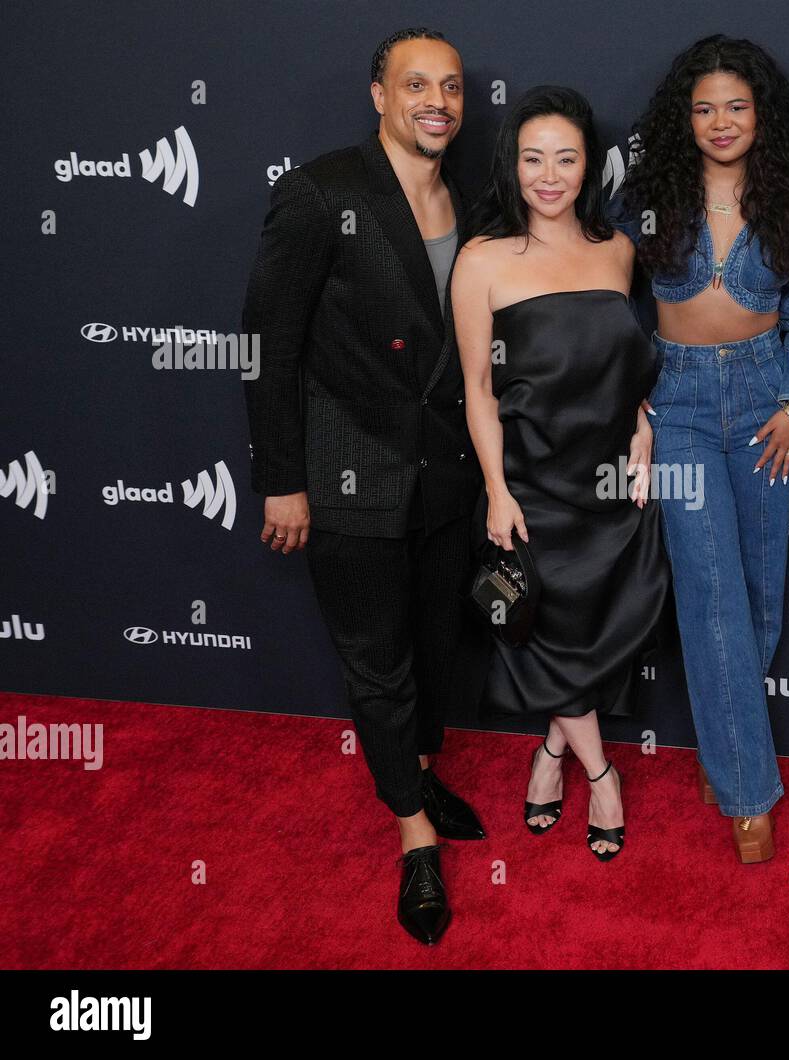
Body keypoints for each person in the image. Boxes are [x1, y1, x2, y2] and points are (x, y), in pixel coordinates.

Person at [241, 28, 488, 946]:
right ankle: (414, 836)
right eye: (417, 84)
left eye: (452, 87)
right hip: (346, 478)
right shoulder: (322, 193)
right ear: (379, 95)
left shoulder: (469, 197)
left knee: (431, 645)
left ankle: (417, 773)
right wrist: (281, 482)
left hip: (445, 478)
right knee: (377, 661)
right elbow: (270, 344)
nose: (438, 101)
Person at [613, 35, 789, 863]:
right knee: (708, 591)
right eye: (705, 108)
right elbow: (612, 303)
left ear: (761, 113)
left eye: (737, 106)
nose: (721, 122)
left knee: (761, 592)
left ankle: (724, 745)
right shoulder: (648, 198)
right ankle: (747, 789)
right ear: (682, 118)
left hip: (768, 404)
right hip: (683, 408)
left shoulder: (786, 200)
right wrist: (638, 398)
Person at [452, 85, 669, 862]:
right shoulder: (482, 260)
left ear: (589, 165)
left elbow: (624, 357)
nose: (550, 176)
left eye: (567, 159)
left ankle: (550, 753)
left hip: (610, 484)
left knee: (592, 629)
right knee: (548, 630)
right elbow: (477, 389)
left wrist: (642, 417)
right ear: (512, 166)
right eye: (533, 159)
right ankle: (601, 774)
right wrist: (498, 491)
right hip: (532, 484)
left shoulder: (618, 249)